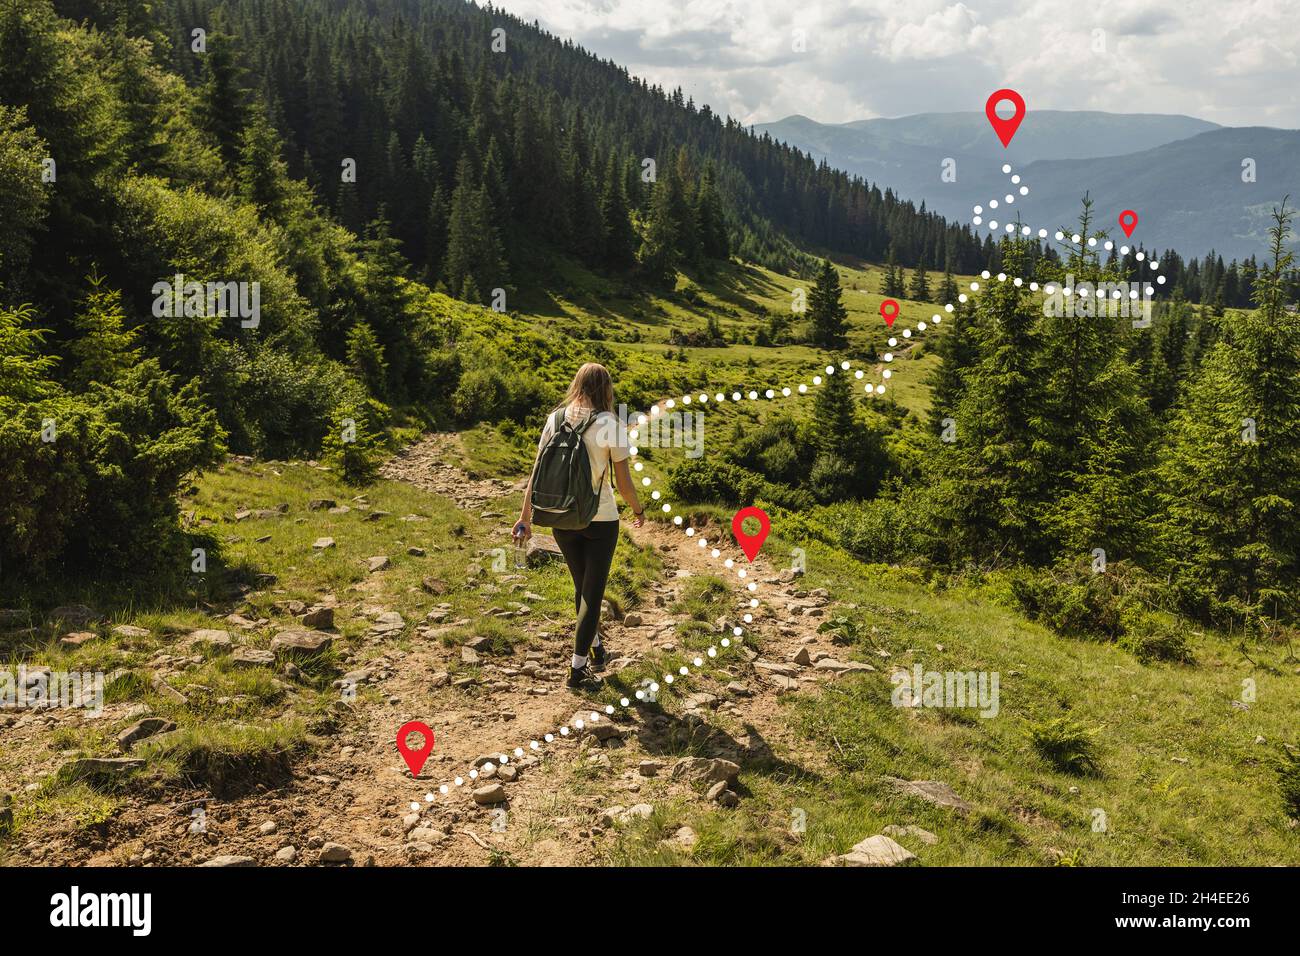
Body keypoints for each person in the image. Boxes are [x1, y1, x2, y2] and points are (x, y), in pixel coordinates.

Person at [514, 363, 644, 690]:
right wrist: (638, 509)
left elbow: (537, 472)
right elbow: (624, 484)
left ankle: (597, 648)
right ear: (606, 390)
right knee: (593, 590)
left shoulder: (554, 419)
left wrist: (525, 518)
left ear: (577, 384)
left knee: (581, 586)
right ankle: (577, 670)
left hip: (561, 518)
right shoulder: (609, 424)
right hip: (600, 520)